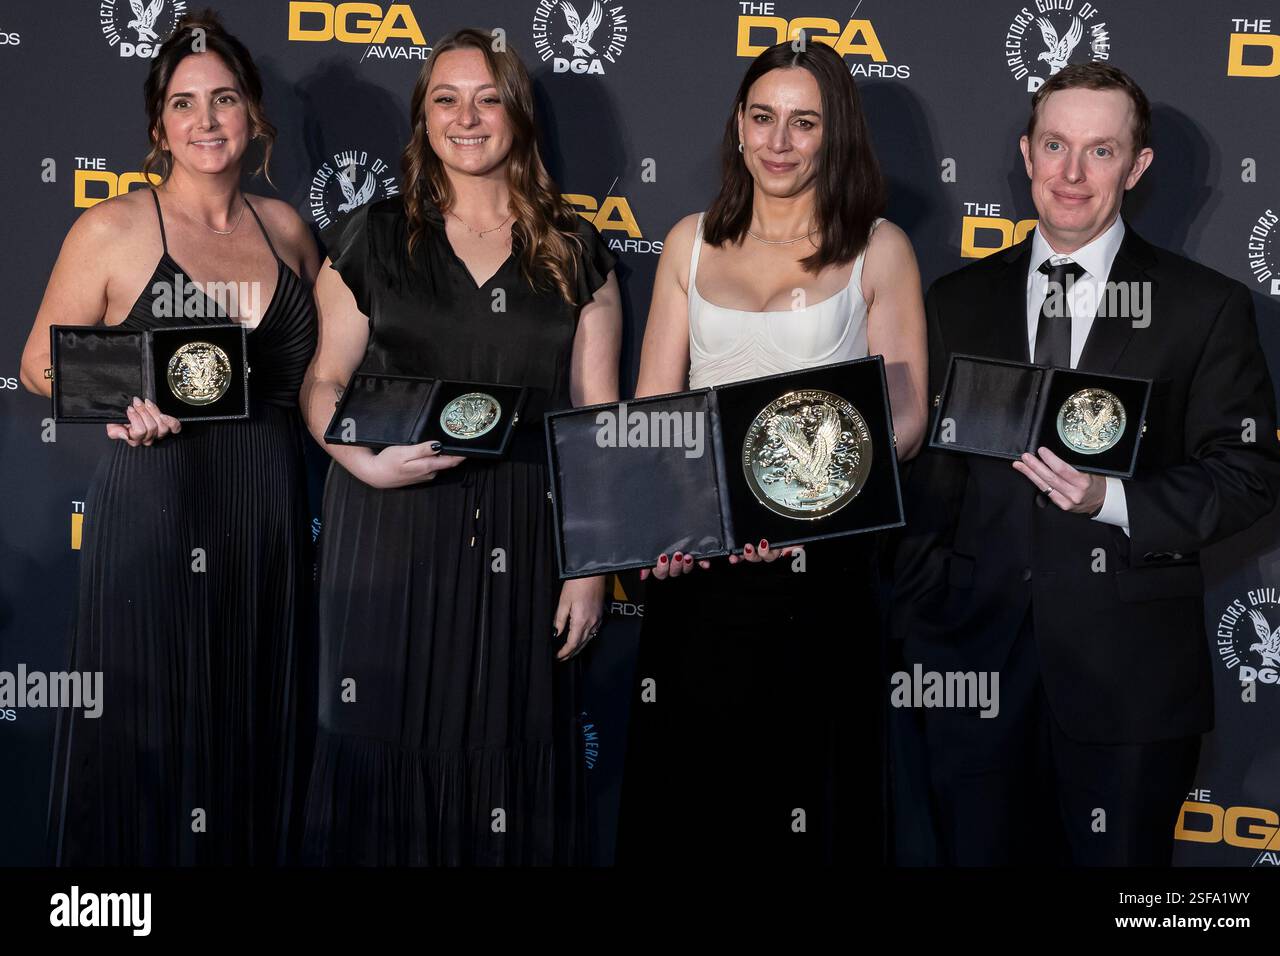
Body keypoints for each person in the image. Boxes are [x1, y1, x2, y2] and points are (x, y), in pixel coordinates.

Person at [893, 63, 1280, 866]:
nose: (1072, 175)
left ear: (1136, 169)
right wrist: (924, 619)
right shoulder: (954, 300)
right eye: (1057, 146)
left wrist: (1112, 498)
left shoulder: (1202, 306)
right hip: (973, 674)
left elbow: (1247, 472)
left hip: (1128, 686)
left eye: (1100, 152)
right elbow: (924, 481)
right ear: (1027, 154)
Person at [298, 28, 621, 866]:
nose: (466, 117)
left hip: (523, 528)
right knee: (381, 734)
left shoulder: (576, 251)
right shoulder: (369, 236)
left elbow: (597, 420)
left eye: (487, 98)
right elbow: (323, 383)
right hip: (384, 526)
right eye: (446, 98)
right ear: (423, 117)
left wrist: (590, 567)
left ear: (516, 113)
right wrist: (358, 458)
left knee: (505, 742)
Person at [616, 40, 928, 865]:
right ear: (740, 127)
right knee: (695, 797)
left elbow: (903, 420)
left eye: (803, 122)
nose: (779, 142)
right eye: (763, 118)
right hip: (701, 574)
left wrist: (807, 506)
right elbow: (654, 410)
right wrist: (666, 531)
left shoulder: (879, 247)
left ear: (835, 135)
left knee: (805, 798)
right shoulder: (688, 242)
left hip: (818, 571)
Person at [20, 12, 321, 864]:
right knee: (147, 730)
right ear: (159, 127)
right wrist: (121, 402)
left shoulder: (290, 232)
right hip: (157, 506)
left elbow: (322, 383)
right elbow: (40, 362)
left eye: (224, 98)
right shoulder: (113, 228)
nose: (206, 120)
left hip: (264, 511)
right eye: (184, 104)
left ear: (253, 111)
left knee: (250, 724)